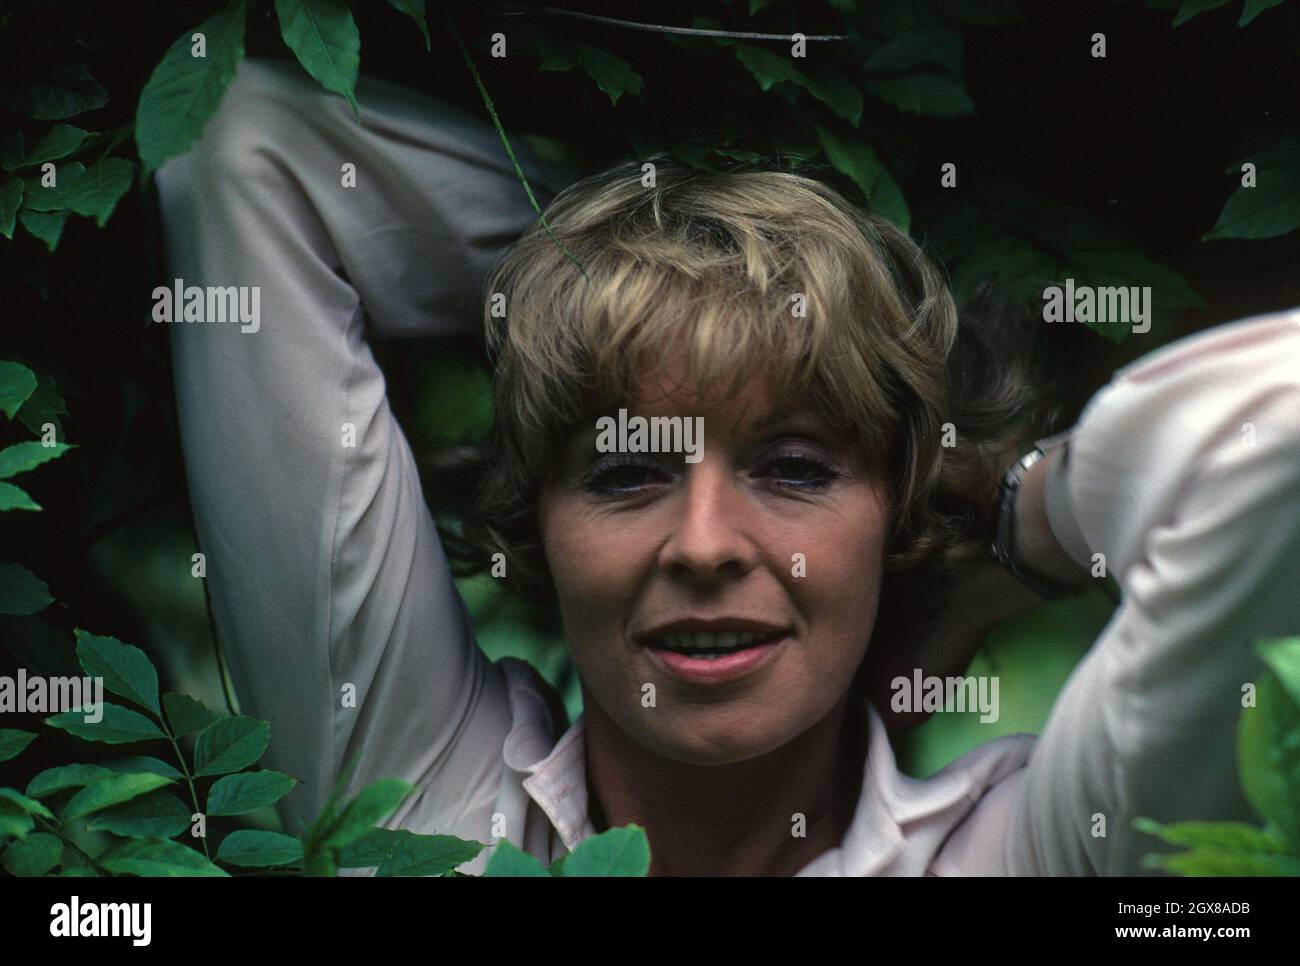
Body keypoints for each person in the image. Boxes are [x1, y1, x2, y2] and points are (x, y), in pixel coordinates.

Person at [156, 57, 1300, 876]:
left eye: (796, 469)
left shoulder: (1028, 850)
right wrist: (623, 278)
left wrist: (1005, 505)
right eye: (622, 476)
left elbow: (1275, 432)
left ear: (899, 513)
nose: (703, 546)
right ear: (536, 529)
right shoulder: (414, 794)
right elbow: (240, 151)